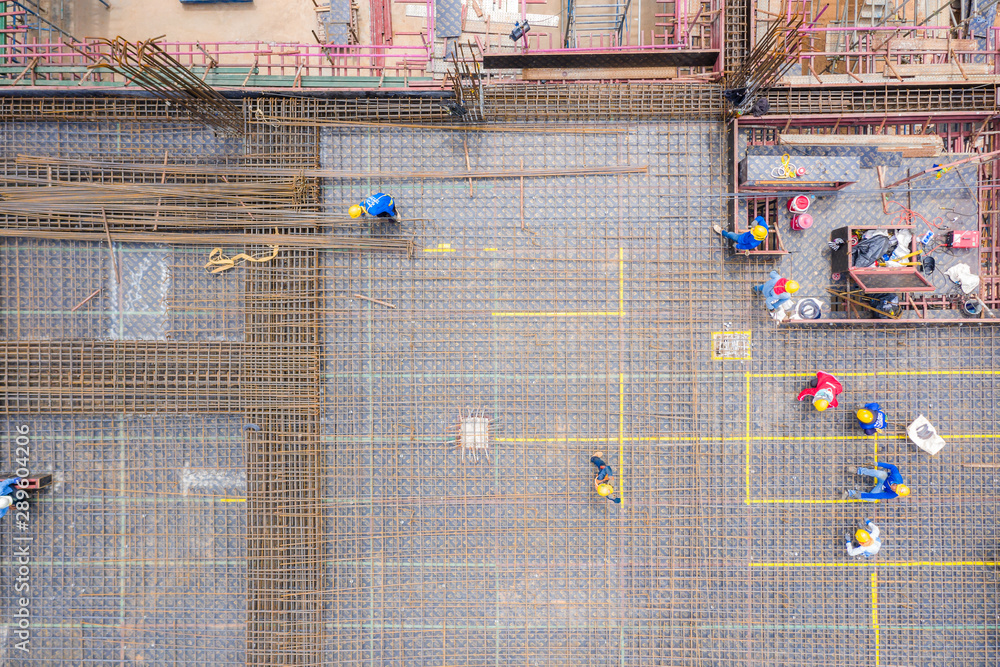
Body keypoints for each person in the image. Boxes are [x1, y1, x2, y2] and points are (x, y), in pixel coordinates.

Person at [844, 461, 910, 501]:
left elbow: (878, 495)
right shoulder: (897, 477)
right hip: (884, 478)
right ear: (898, 484)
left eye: (895, 490)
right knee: (881, 474)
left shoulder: (893, 494)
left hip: (881, 488)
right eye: (896, 486)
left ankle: (850, 493)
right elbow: (893, 467)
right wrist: (878, 464)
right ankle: (858, 470)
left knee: (872, 499)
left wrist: (861, 495)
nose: (894, 487)